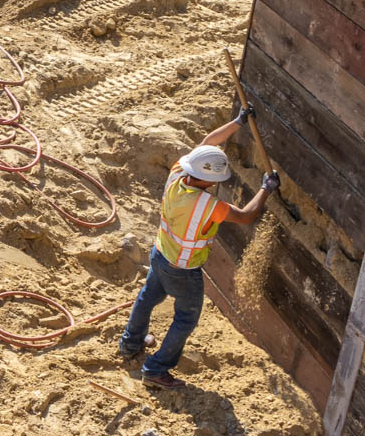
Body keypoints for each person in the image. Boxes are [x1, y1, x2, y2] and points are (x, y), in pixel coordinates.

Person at [118, 105, 279, 390]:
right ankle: (156, 370)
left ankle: (131, 344)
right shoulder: (207, 205)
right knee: (186, 318)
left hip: (160, 253)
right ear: (208, 180)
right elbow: (245, 216)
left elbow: (207, 144)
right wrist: (266, 188)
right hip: (183, 268)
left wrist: (237, 122)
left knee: (148, 296)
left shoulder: (178, 173)